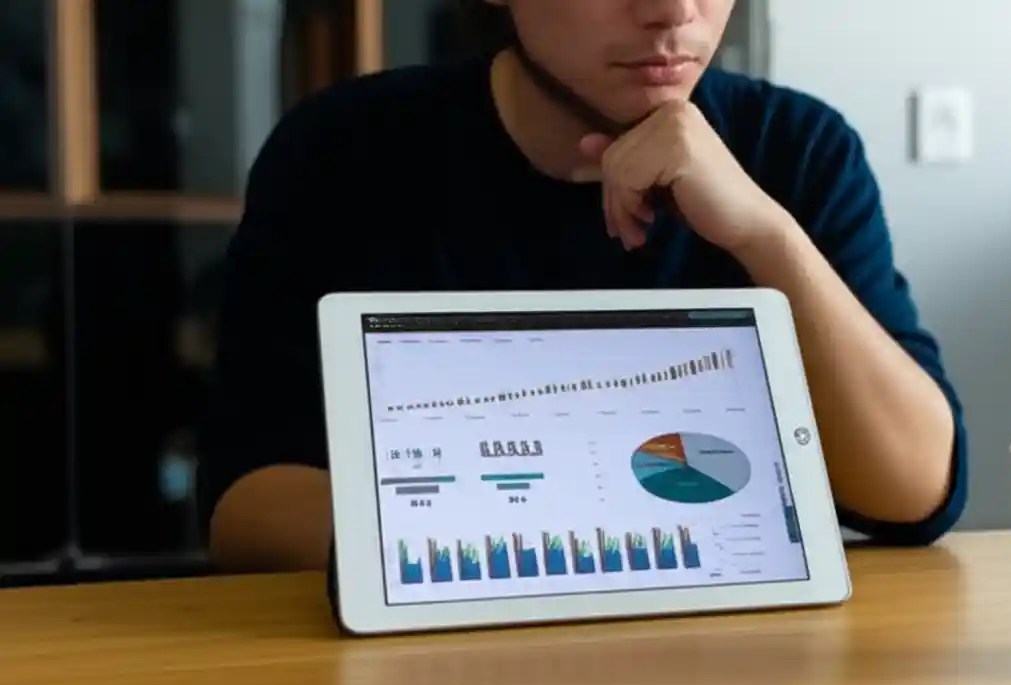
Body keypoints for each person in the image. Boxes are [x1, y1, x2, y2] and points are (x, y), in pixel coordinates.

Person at [198, 0, 969, 573]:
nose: (675, 13)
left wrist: (764, 237)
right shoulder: (343, 152)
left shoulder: (798, 149)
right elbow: (245, 506)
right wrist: (565, 534)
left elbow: (916, 494)